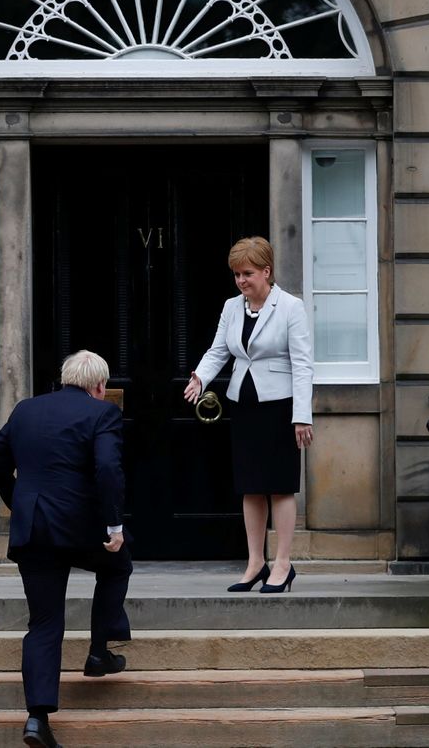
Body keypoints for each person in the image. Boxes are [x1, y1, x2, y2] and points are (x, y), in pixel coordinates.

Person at [0, 349, 132, 748]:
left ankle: (37, 719)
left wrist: (20, 500)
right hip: (81, 529)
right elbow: (107, 469)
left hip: (34, 530)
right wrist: (114, 524)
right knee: (118, 566)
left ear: (65, 379)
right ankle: (100, 651)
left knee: (44, 623)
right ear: (99, 386)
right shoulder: (103, 413)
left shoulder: (26, 410)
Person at [184, 236, 313, 594]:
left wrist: (302, 415)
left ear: (267, 272)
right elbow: (218, 350)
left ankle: (283, 564)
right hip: (244, 403)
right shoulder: (231, 307)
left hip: (281, 406)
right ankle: (256, 562)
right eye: (237, 275)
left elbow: (303, 365)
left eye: (248, 273)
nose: (241, 281)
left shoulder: (290, 307)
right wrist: (199, 376)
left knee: (280, 486)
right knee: (250, 487)